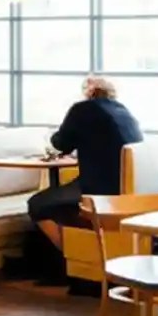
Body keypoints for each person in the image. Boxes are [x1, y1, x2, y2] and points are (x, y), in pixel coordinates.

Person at [28, 76, 144, 253]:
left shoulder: (82, 109)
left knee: (37, 204)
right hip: (131, 191)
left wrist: (51, 138)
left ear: (89, 92)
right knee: (62, 203)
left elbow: (61, 143)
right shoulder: (124, 112)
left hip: (99, 190)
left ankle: (73, 256)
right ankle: (84, 251)